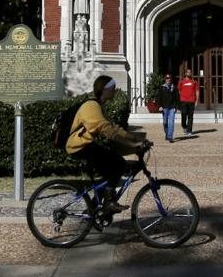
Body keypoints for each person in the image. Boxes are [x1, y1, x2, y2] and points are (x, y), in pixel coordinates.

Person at [66, 75, 149, 215]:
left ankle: (94, 207)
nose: (115, 91)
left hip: (86, 145)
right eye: (113, 88)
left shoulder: (99, 106)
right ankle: (109, 203)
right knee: (117, 164)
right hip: (78, 147)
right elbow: (107, 131)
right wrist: (132, 144)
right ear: (105, 89)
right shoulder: (91, 106)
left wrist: (135, 138)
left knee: (109, 170)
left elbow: (113, 128)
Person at [156, 73, 180, 143]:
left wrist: (178, 107)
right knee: (165, 122)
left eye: (169, 78)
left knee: (171, 122)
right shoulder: (161, 87)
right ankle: (167, 134)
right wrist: (159, 106)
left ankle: (170, 136)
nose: (168, 80)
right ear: (165, 79)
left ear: (171, 79)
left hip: (172, 107)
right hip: (164, 108)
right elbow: (158, 98)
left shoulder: (174, 87)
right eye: (167, 78)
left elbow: (177, 98)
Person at [178, 68, 198, 136]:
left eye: (190, 72)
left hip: (191, 101)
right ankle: (184, 127)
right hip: (183, 101)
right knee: (183, 114)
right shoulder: (181, 81)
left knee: (190, 116)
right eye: (188, 72)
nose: (189, 73)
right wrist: (181, 98)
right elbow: (179, 90)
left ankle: (189, 130)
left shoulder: (194, 82)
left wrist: (196, 101)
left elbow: (197, 91)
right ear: (185, 73)